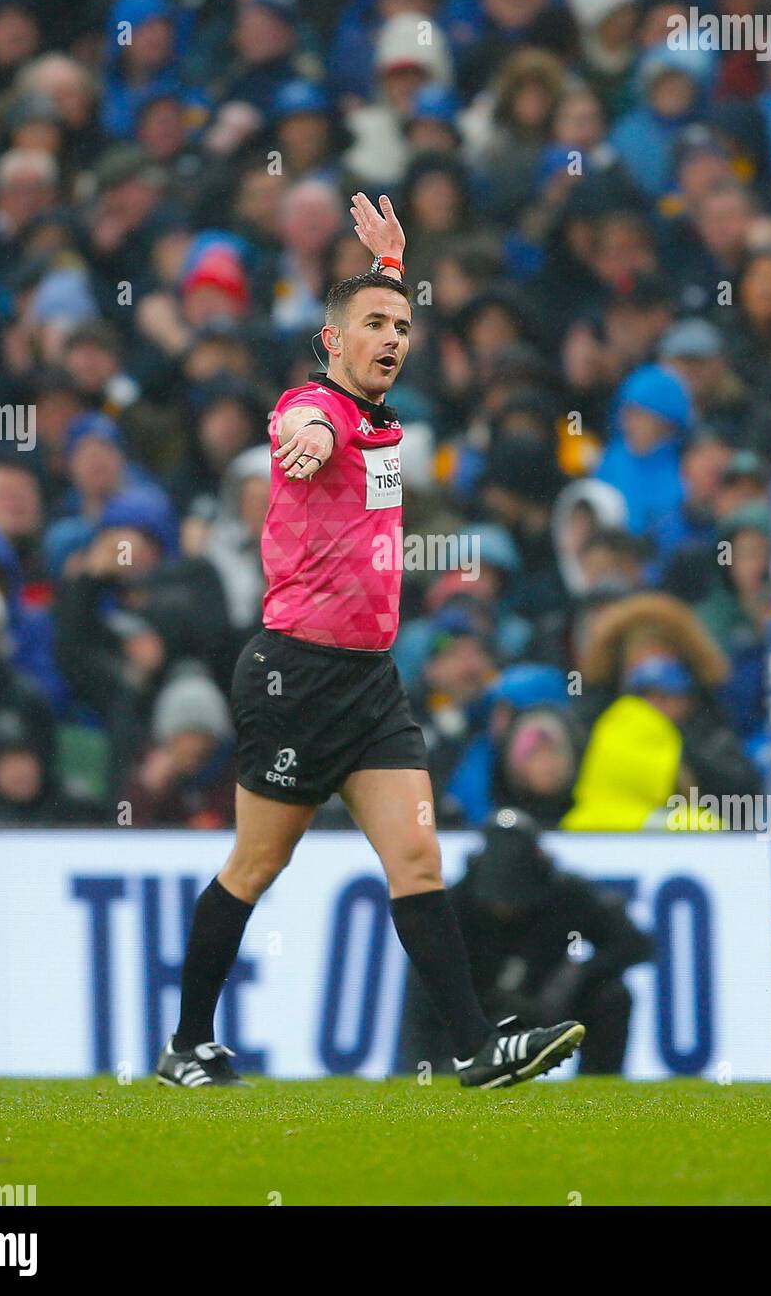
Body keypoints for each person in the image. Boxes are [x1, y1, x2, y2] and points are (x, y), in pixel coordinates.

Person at [158, 193, 585, 1089]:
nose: (392, 336)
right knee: (257, 862)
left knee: (419, 859)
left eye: (402, 325)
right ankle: (186, 1044)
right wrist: (308, 441)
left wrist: (390, 268)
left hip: (371, 680)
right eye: (374, 326)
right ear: (330, 343)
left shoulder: (379, 413)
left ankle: (473, 1049)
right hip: (295, 677)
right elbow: (301, 424)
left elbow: (354, 361)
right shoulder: (313, 408)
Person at [398, 807, 655, 1075]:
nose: (506, 911)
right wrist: (422, 1070)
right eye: (498, 904)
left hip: (546, 1005)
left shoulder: (567, 895)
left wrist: (578, 975)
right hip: (480, 1014)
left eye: (515, 903)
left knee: (612, 995)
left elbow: (636, 944)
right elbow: (422, 995)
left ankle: (599, 1085)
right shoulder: (454, 908)